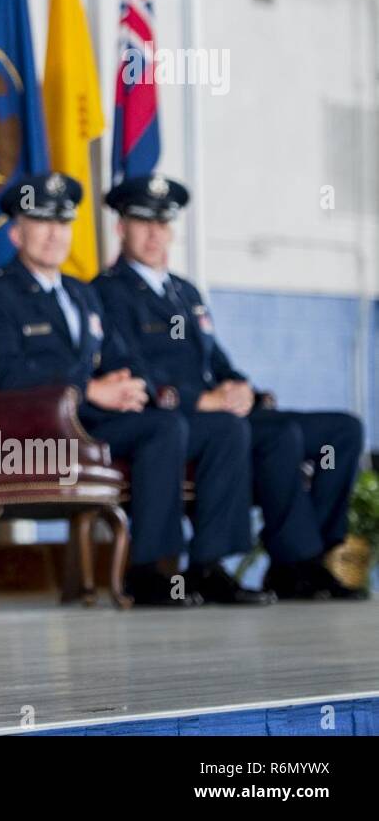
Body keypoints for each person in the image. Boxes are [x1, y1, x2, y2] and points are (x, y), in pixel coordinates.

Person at [0, 172, 271, 606]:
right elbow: (3, 373)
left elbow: (122, 356)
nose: (54, 235)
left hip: (103, 419)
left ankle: (209, 567)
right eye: (41, 224)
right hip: (48, 428)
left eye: (62, 224)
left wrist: (133, 387)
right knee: (164, 430)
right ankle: (150, 572)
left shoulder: (80, 293)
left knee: (224, 429)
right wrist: (89, 390)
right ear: (17, 233)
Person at [95, 174, 365, 601]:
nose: (154, 234)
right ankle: (252, 566)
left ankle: (315, 555)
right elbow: (128, 370)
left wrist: (243, 390)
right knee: (279, 436)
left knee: (342, 431)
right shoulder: (108, 293)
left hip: (219, 409)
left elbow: (216, 360)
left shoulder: (185, 293)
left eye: (162, 224)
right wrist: (201, 400)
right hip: (173, 415)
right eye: (142, 222)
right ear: (121, 227)